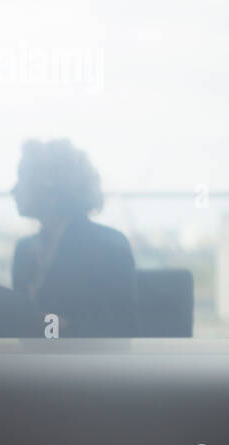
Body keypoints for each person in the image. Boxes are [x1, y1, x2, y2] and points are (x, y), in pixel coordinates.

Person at [10, 138, 140, 337]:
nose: (13, 190)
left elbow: (121, 328)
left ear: (50, 187)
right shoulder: (24, 250)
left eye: (22, 178)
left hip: (86, 365)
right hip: (31, 364)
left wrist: (64, 328)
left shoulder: (108, 247)